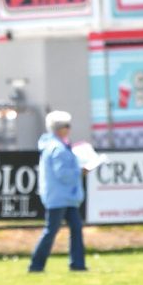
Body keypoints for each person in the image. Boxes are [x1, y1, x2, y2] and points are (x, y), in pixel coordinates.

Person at [28, 110, 88, 273]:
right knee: (51, 231)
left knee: (75, 228)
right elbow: (63, 174)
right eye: (66, 126)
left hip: (66, 197)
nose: (69, 129)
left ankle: (78, 263)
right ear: (59, 128)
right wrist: (79, 171)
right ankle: (36, 264)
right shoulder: (57, 148)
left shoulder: (59, 146)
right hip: (59, 196)